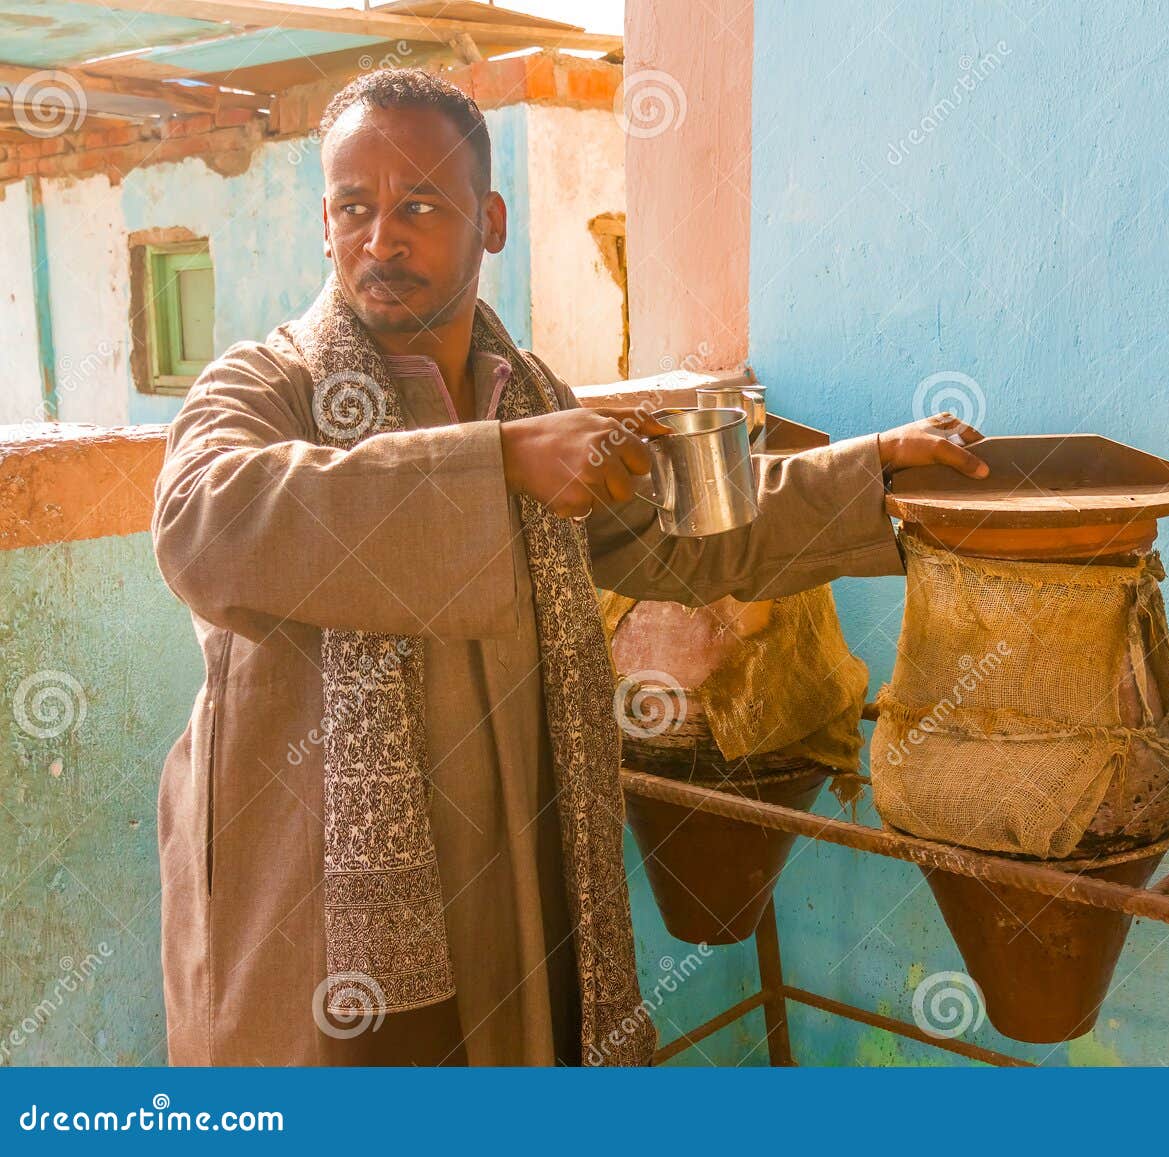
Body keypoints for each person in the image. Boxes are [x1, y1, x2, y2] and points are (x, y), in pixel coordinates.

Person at [150, 68, 985, 1066]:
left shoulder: (529, 393)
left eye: (418, 204)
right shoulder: (265, 385)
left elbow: (685, 529)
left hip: (518, 871)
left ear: (489, 221)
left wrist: (873, 469)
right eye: (352, 208)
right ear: (324, 225)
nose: (381, 238)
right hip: (328, 911)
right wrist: (497, 462)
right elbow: (206, 519)